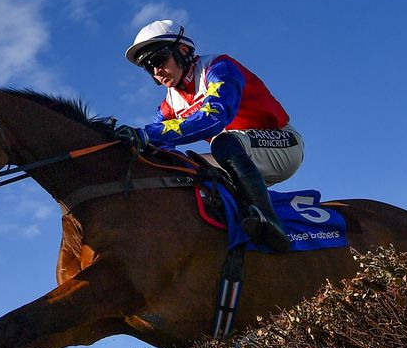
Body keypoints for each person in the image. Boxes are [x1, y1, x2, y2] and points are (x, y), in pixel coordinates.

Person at [118, 19, 303, 252]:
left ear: (183, 51)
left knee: (222, 141)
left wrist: (147, 134)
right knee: (185, 168)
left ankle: (270, 223)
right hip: (241, 153)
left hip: (282, 143)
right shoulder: (168, 104)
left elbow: (215, 117)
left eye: (158, 60)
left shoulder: (218, 67)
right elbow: (155, 145)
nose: (156, 72)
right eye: (148, 67)